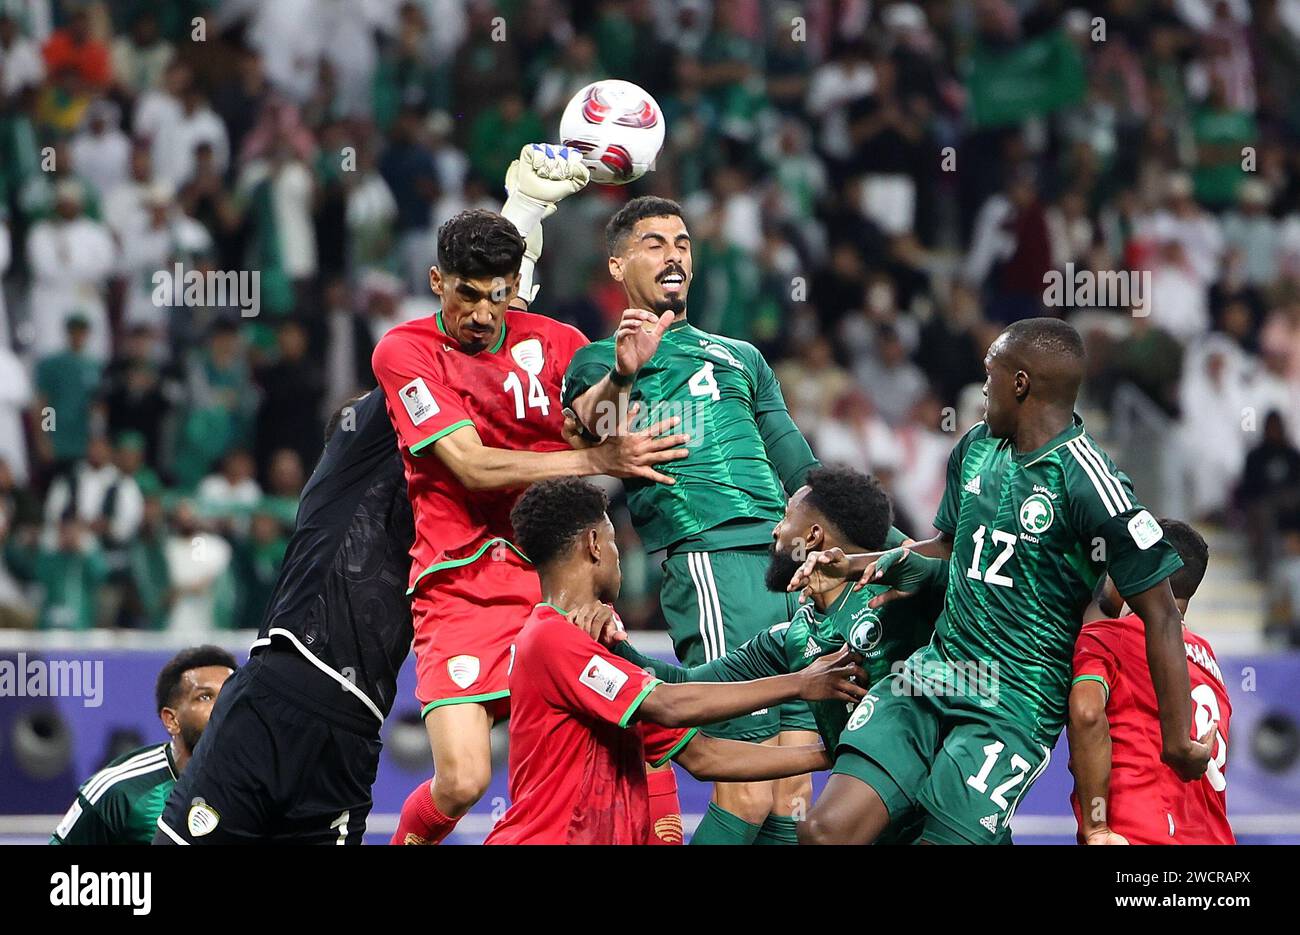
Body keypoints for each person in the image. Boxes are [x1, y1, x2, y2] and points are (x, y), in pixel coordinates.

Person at [563, 196, 909, 844]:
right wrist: (621, 372)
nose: (674, 254)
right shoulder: (598, 358)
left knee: (791, 795)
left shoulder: (742, 356)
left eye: (683, 242)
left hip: (794, 571)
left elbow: (805, 472)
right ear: (616, 264)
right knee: (744, 791)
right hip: (712, 563)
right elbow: (588, 426)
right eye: (654, 242)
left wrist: (905, 550)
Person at [790, 318, 1212, 844]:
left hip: (1011, 706)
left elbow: (1162, 612)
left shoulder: (1092, 484)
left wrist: (1178, 740)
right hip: (930, 675)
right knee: (823, 834)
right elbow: (948, 547)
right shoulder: (975, 448)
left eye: (990, 376)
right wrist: (854, 563)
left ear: (1021, 384)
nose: (982, 389)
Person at [373, 151, 691, 846]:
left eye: (496, 294)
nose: (481, 312)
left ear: (517, 287)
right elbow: (468, 465)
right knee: (460, 781)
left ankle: (663, 828)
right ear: (435, 282)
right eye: (464, 293)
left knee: (601, 732)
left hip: (547, 578)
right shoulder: (405, 350)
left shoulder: (557, 341)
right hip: (454, 581)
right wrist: (593, 458)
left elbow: (589, 419)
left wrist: (621, 378)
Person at [484, 478, 866, 845]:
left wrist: (826, 753)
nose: (621, 556)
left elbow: (704, 756)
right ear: (595, 544)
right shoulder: (552, 637)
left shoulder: (591, 641)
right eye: (616, 542)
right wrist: (799, 684)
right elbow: (669, 704)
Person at [154, 394, 414, 844]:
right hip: (279, 697)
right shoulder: (342, 477)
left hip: (352, 736)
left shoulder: (433, 509)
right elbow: (401, 379)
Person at [1068, 519, 1234, 845]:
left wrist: (1096, 825)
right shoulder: (1207, 656)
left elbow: (1086, 714)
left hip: (1138, 834)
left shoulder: (1107, 638)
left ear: (1140, 569)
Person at [52, 645, 236, 845]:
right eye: (205, 697)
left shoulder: (267, 783)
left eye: (233, 693)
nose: (225, 705)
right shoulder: (121, 791)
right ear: (171, 720)